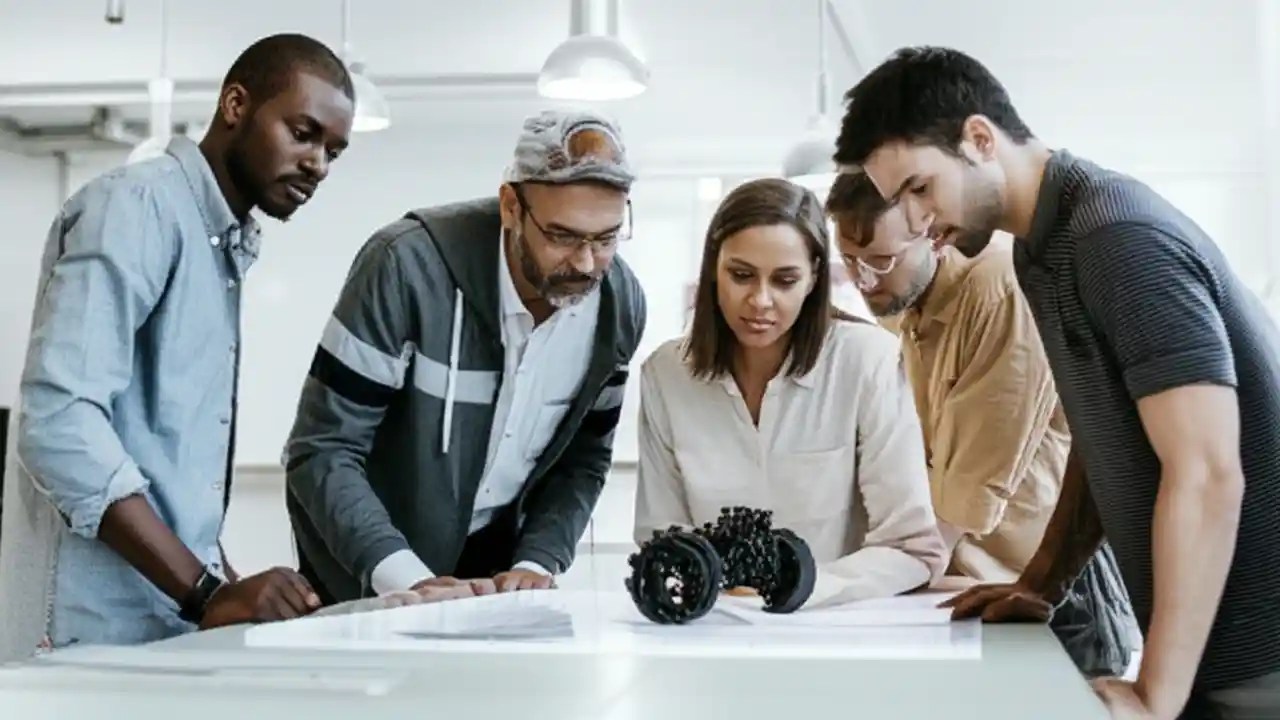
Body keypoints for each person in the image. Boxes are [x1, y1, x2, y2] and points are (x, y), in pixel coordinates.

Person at [835, 45, 1280, 718]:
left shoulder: (1117, 236)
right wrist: (1042, 582)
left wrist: (1155, 693)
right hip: (1217, 651)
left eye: (921, 189)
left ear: (980, 139)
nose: (920, 221)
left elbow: (1207, 471)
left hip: (1261, 652)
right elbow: (1103, 439)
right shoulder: (1044, 251)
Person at [0, 33, 473, 664]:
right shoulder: (138, 207)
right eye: (303, 132)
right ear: (235, 105)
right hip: (85, 637)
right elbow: (59, 424)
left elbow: (168, 472)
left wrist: (233, 590)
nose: (318, 165)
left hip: (157, 628)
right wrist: (203, 593)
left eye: (333, 151)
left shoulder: (221, 245)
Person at [284, 108, 647, 604]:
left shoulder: (618, 305)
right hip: (370, 571)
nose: (585, 263)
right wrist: (405, 577)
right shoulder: (405, 268)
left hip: (494, 580)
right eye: (562, 236)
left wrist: (536, 561)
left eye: (605, 238)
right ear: (510, 207)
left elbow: (583, 461)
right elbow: (322, 449)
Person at [827, 171, 1137, 678]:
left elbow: (964, 500)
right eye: (850, 260)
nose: (865, 282)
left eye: (881, 261)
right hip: (959, 596)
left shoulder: (996, 289)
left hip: (1042, 598)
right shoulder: (910, 302)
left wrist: (838, 586)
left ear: (934, 234)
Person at [633, 177, 947, 609]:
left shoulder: (867, 360)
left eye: (784, 280)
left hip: (837, 627)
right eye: (741, 275)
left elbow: (913, 548)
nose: (760, 301)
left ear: (814, 278)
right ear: (713, 269)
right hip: (710, 628)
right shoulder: (666, 374)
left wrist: (802, 586)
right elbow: (661, 536)